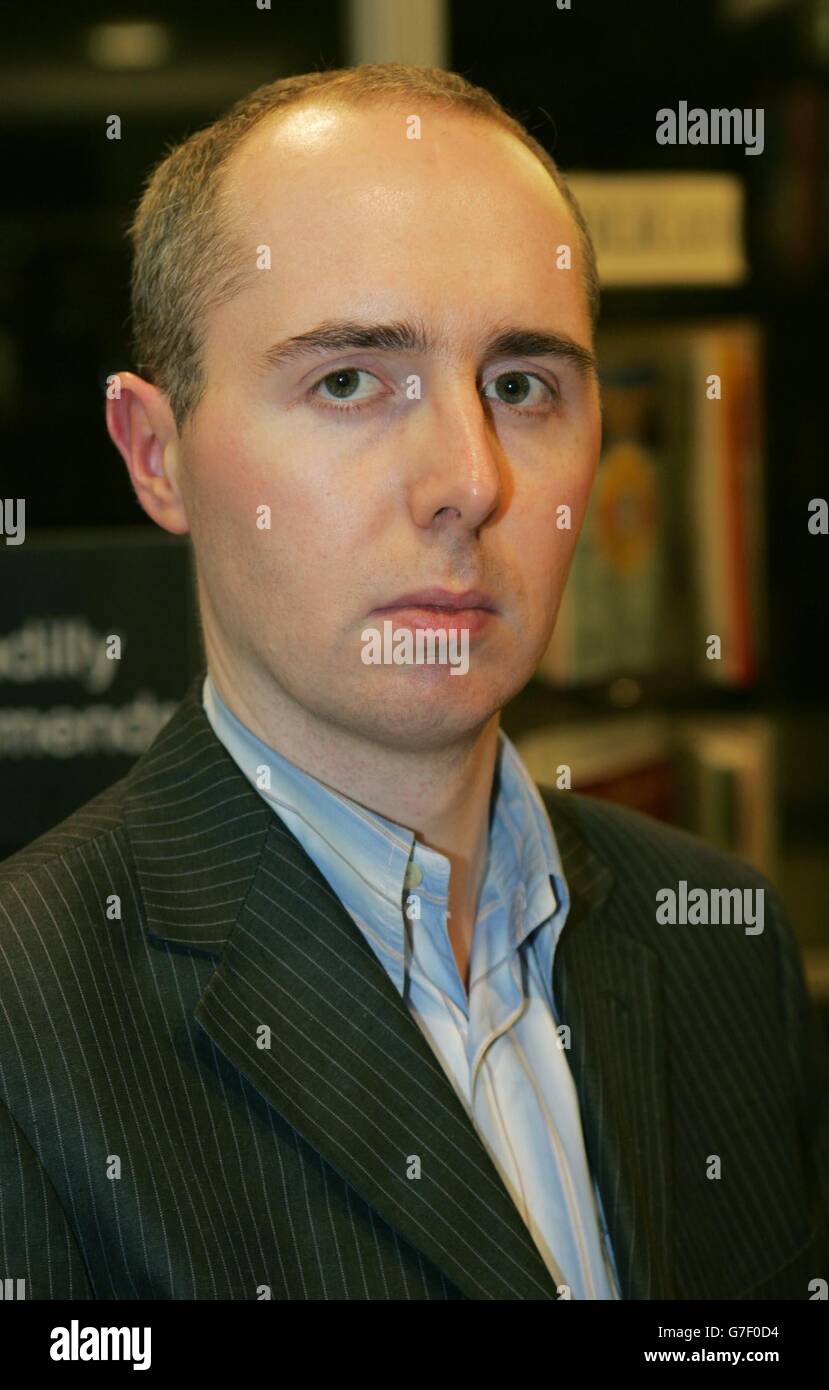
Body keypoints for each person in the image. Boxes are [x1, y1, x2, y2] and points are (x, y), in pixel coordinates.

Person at [0, 62, 826, 1301]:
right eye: (348, 380)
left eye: (520, 385)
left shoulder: (720, 940)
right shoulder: (31, 1019)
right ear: (155, 453)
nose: (469, 479)